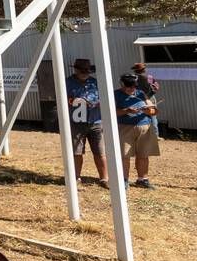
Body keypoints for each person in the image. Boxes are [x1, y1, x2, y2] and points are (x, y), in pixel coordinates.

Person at [65, 58, 108, 187]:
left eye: (88, 71)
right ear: (76, 70)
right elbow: (63, 99)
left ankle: (104, 178)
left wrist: (98, 103)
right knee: (77, 152)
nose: (86, 73)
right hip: (76, 122)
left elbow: (103, 97)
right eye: (83, 71)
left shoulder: (95, 83)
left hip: (95, 120)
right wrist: (72, 101)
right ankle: (76, 178)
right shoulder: (67, 82)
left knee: (100, 151)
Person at [116, 72, 159, 188]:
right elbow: (112, 112)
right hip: (125, 127)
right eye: (129, 86)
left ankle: (142, 179)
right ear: (122, 84)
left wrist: (148, 110)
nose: (132, 89)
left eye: (134, 86)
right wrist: (126, 111)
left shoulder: (141, 94)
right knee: (125, 155)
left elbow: (154, 111)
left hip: (144, 126)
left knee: (143, 155)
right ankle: (124, 179)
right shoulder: (116, 94)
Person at [132, 62, 160, 133]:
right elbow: (156, 87)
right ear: (144, 69)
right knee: (152, 115)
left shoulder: (133, 78)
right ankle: (155, 135)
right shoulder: (149, 77)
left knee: (138, 114)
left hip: (137, 98)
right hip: (150, 97)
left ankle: (141, 133)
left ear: (135, 70)